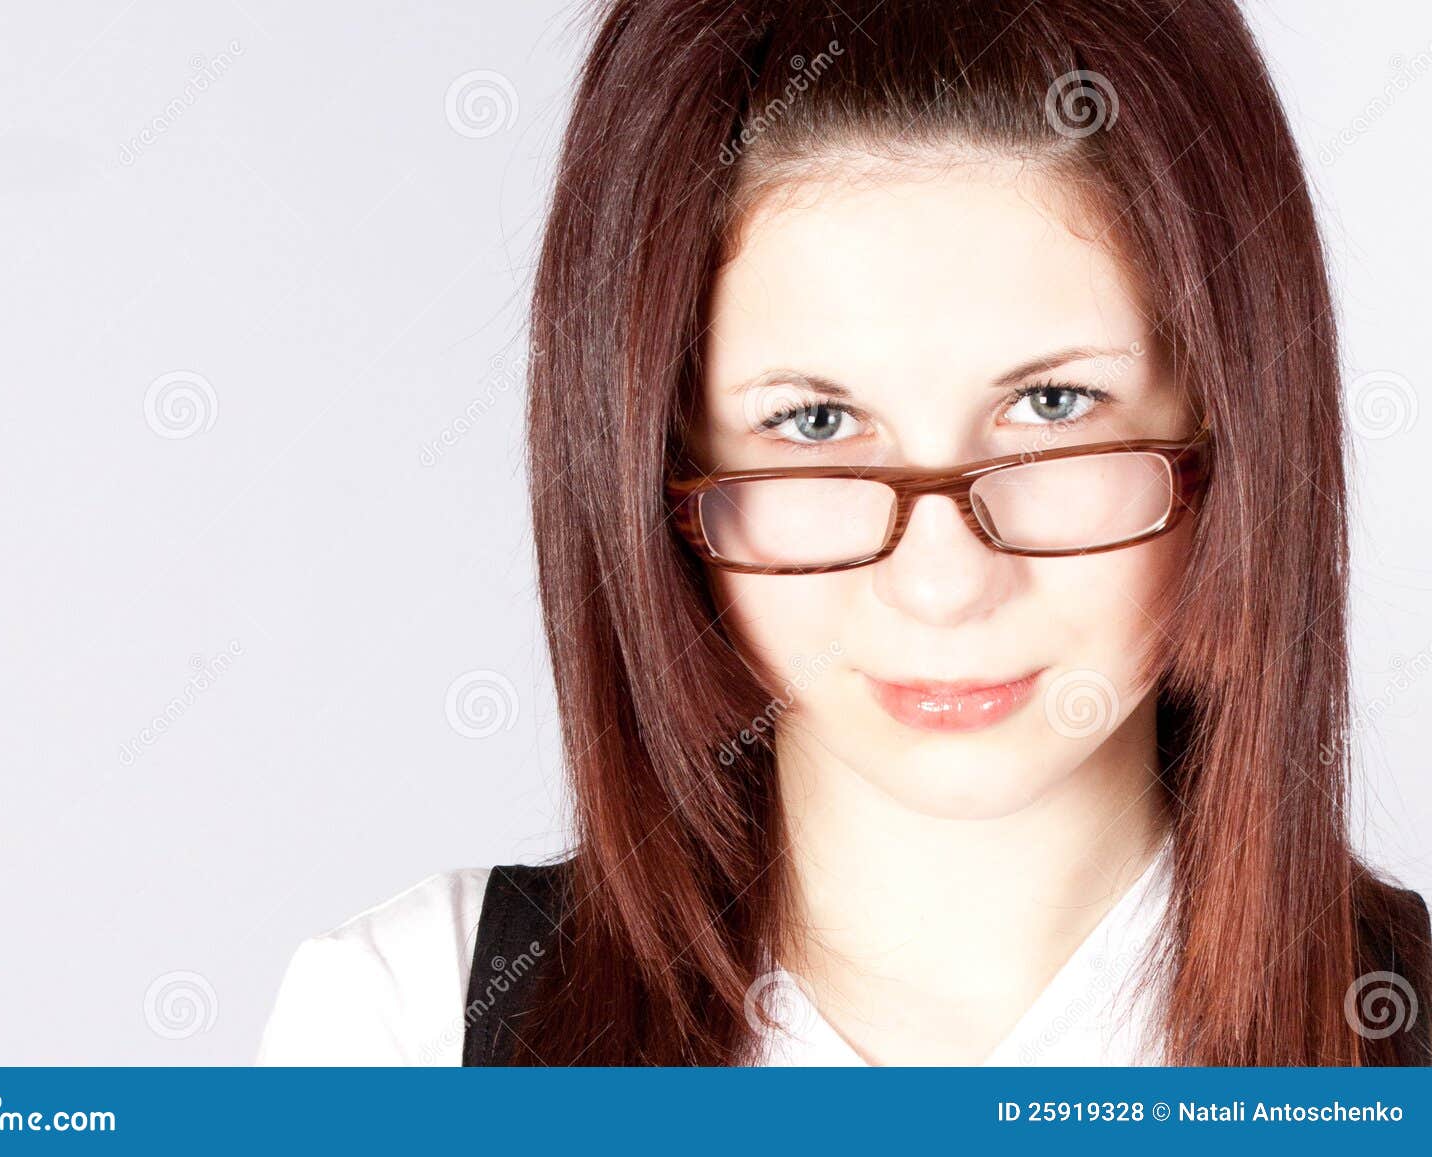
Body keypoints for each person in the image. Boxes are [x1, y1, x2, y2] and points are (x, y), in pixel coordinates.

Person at [258, 0, 1432, 1066]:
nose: (942, 583)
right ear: (663, 464)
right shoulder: (403, 1031)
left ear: (1232, 424)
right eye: (813, 420)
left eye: (1053, 405)